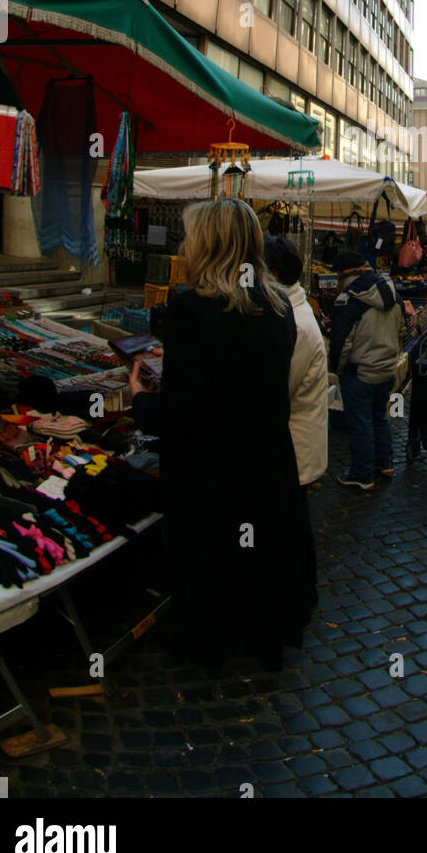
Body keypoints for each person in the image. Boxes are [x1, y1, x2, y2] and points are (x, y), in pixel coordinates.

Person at [128, 198, 314, 670]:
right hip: (266, 463)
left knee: (208, 561)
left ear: (208, 244)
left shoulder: (193, 309)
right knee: (256, 557)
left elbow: (183, 413)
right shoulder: (278, 309)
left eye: (192, 236)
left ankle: (205, 642)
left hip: (210, 472)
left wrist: (140, 399)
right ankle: (261, 636)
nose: (185, 244)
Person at [263, 236, 328, 608]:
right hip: (294, 444)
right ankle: (299, 595)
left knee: (292, 529)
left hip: (295, 447)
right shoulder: (293, 314)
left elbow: (279, 389)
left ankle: (297, 599)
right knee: (294, 526)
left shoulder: (297, 324)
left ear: (272, 273)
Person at [328, 250, 405, 489]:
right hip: (387, 368)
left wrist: (336, 371)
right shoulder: (391, 292)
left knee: (360, 422)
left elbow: (341, 342)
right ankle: (385, 462)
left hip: (360, 371)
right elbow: (402, 328)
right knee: (379, 416)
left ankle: (361, 473)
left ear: (343, 275)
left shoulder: (348, 299)